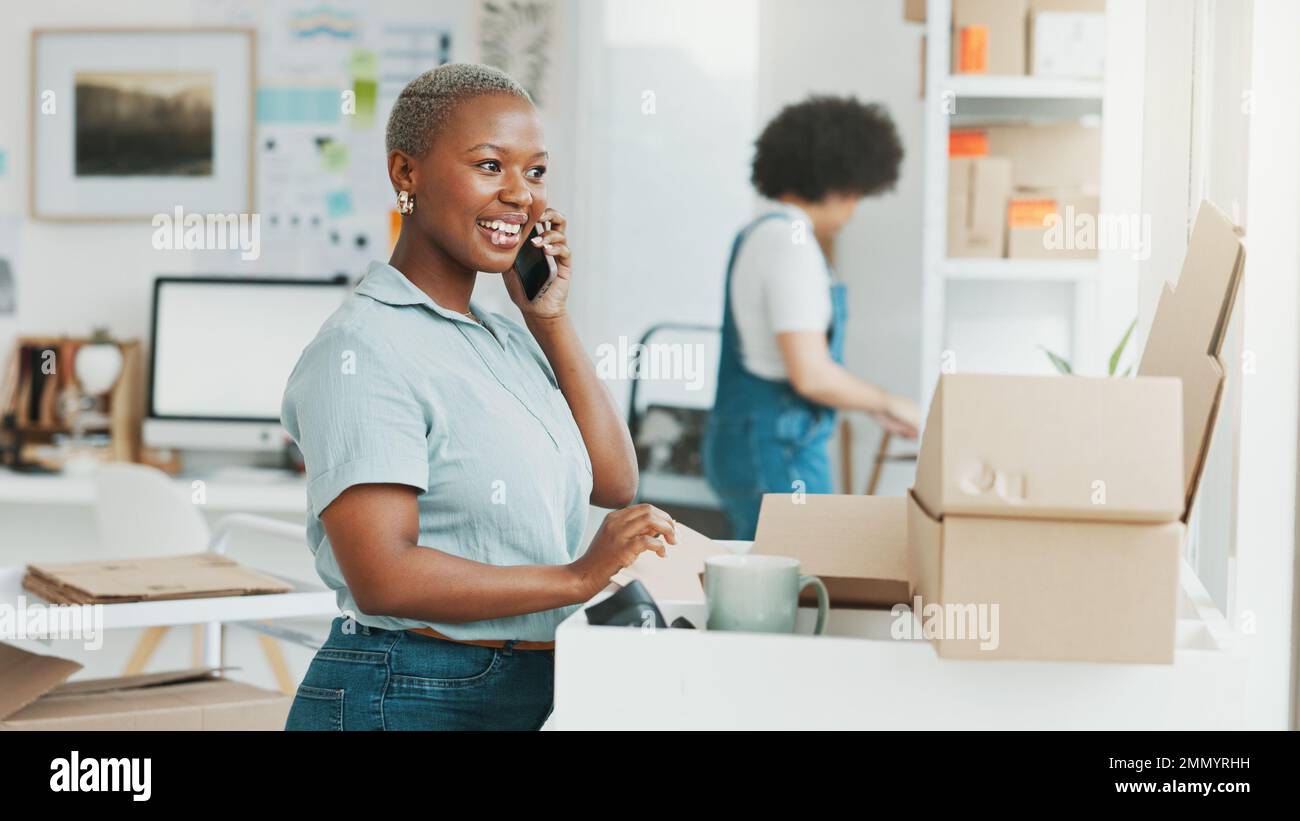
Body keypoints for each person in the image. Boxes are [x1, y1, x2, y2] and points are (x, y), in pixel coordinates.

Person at [280, 63, 676, 731]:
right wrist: (577, 578)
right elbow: (385, 574)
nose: (521, 195)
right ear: (406, 173)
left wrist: (548, 319)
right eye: (491, 166)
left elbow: (615, 479)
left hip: (522, 688)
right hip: (406, 691)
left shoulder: (502, 336)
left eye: (537, 172)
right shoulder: (364, 347)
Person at [702, 95, 921, 540]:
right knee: (803, 586)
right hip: (780, 449)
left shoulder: (759, 233)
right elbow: (811, 374)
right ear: (838, 179)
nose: (854, 209)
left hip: (750, 442)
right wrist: (889, 401)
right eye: (857, 193)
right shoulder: (791, 243)